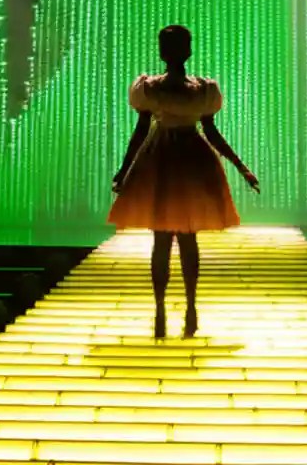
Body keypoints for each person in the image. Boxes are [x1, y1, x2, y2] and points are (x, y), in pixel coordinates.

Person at [109, 25, 258, 339]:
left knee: (184, 238)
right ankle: (162, 309)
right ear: (165, 51)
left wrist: (241, 167)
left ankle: (189, 306)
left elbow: (212, 132)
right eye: (172, 45)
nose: (176, 50)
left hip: (187, 160)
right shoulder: (151, 88)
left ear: (186, 50)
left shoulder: (201, 89)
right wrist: (124, 170)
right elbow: (140, 132)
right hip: (164, 159)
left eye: (180, 44)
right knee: (165, 239)